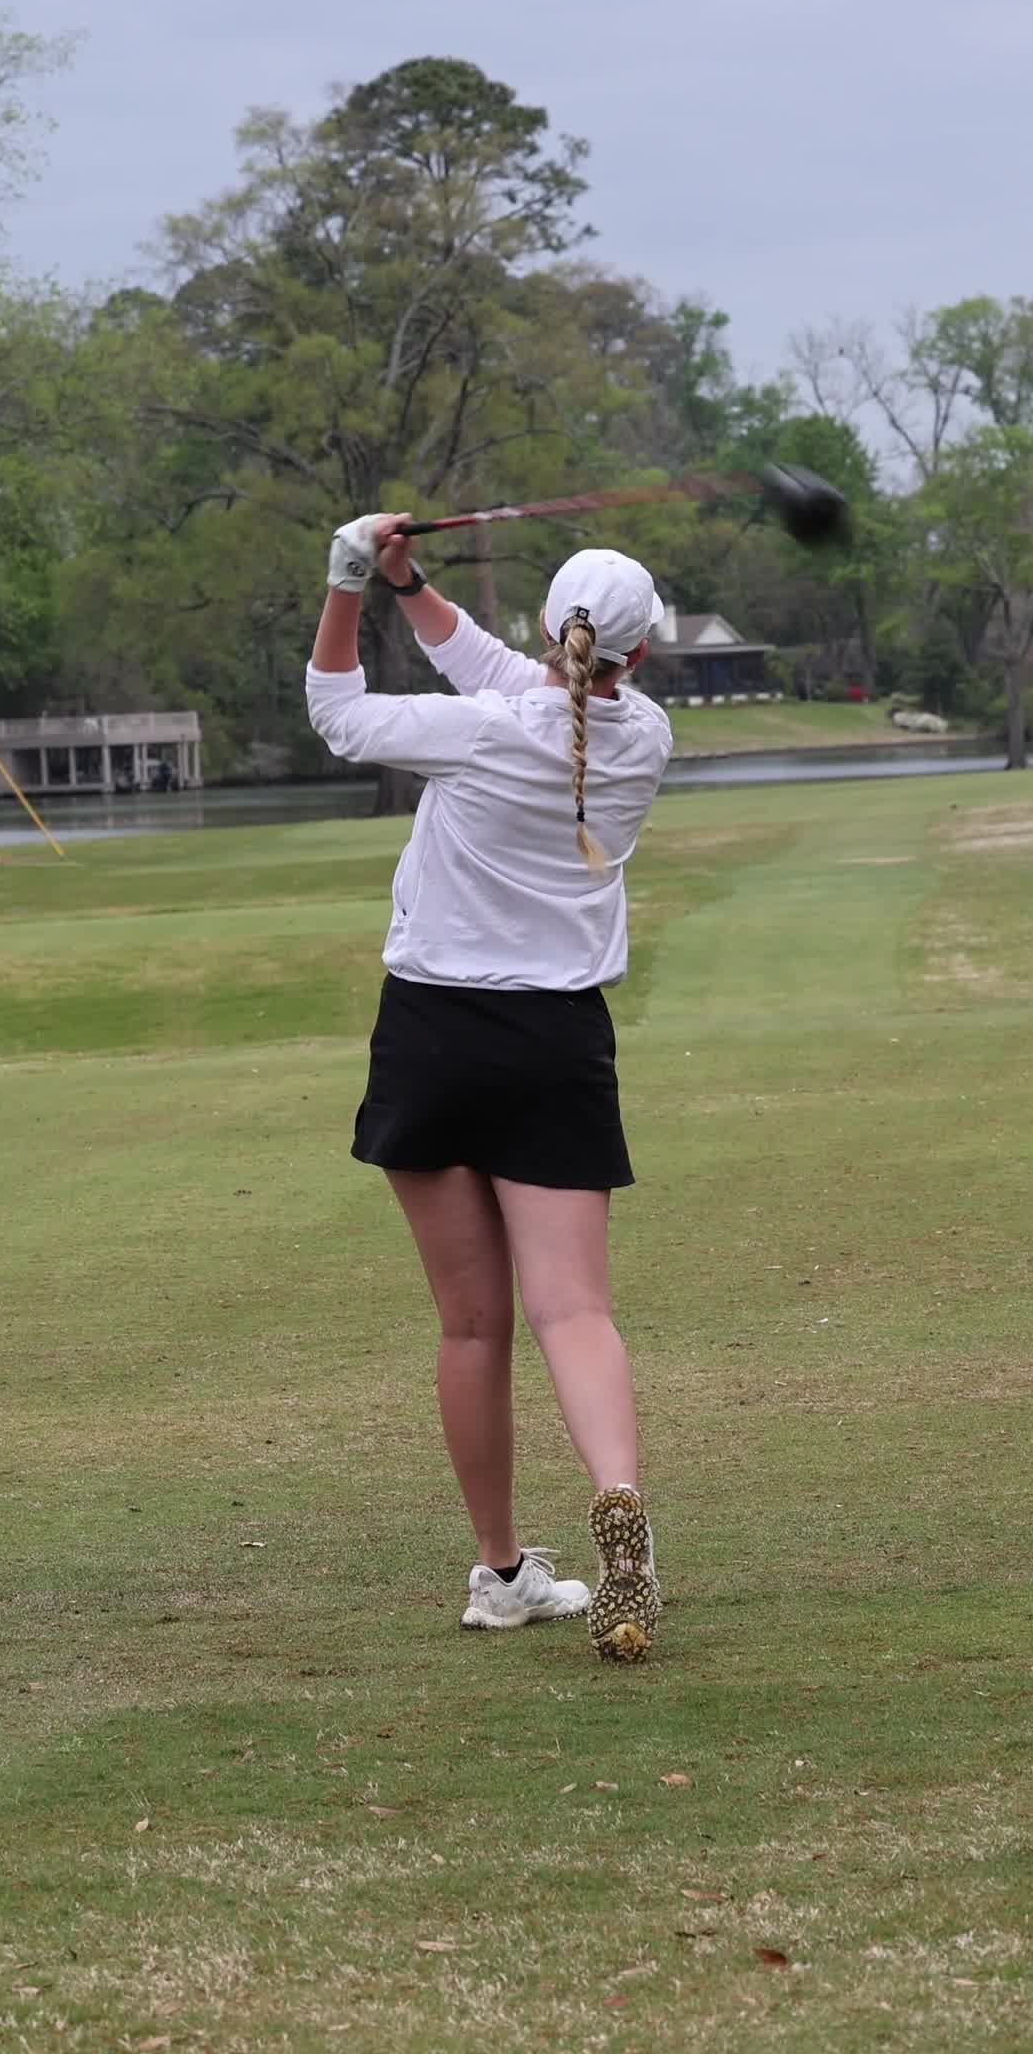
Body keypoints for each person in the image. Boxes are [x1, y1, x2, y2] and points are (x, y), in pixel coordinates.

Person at [305, 512, 673, 1662]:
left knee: (473, 1327)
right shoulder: (645, 732)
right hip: (556, 1040)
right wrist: (413, 584)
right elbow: (522, 679)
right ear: (637, 656)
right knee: (577, 1311)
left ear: (554, 631)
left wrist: (348, 581)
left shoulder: (483, 729)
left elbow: (337, 711)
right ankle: (620, 1510)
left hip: (430, 1033)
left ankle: (504, 1573)